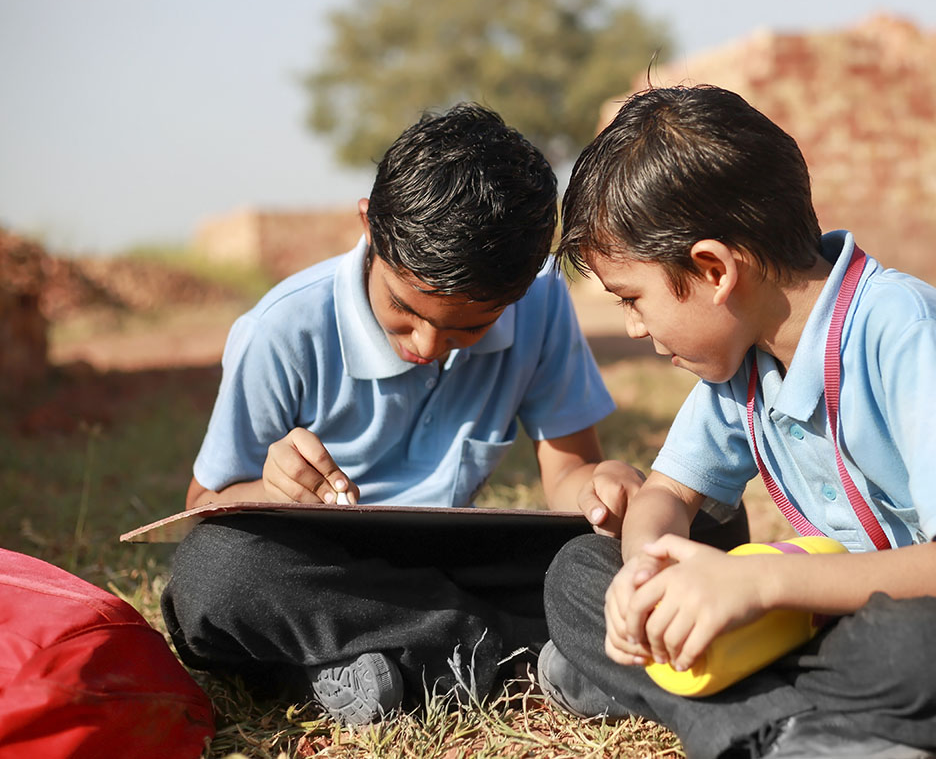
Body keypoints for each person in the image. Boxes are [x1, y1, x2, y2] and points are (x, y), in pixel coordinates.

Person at [537, 85, 936, 759]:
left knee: (922, 649)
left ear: (714, 268)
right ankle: (799, 725)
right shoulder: (741, 361)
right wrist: (647, 570)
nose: (634, 327)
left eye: (633, 299)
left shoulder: (901, 331)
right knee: (577, 572)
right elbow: (666, 494)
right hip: (836, 606)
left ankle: (709, 704)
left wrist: (756, 583)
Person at [161, 104, 647, 725]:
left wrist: (605, 489)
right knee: (216, 572)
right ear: (368, 224)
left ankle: (369, 668)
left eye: (470, 327)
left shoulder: (543, 304)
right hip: (327, 575)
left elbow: (570, 471)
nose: (424, 346)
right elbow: (203, 505)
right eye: (403, 309)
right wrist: (274, 488)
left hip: (454, 563)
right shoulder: (280, 330)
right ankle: (527, 658)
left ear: (525, 284)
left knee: (696, 520)